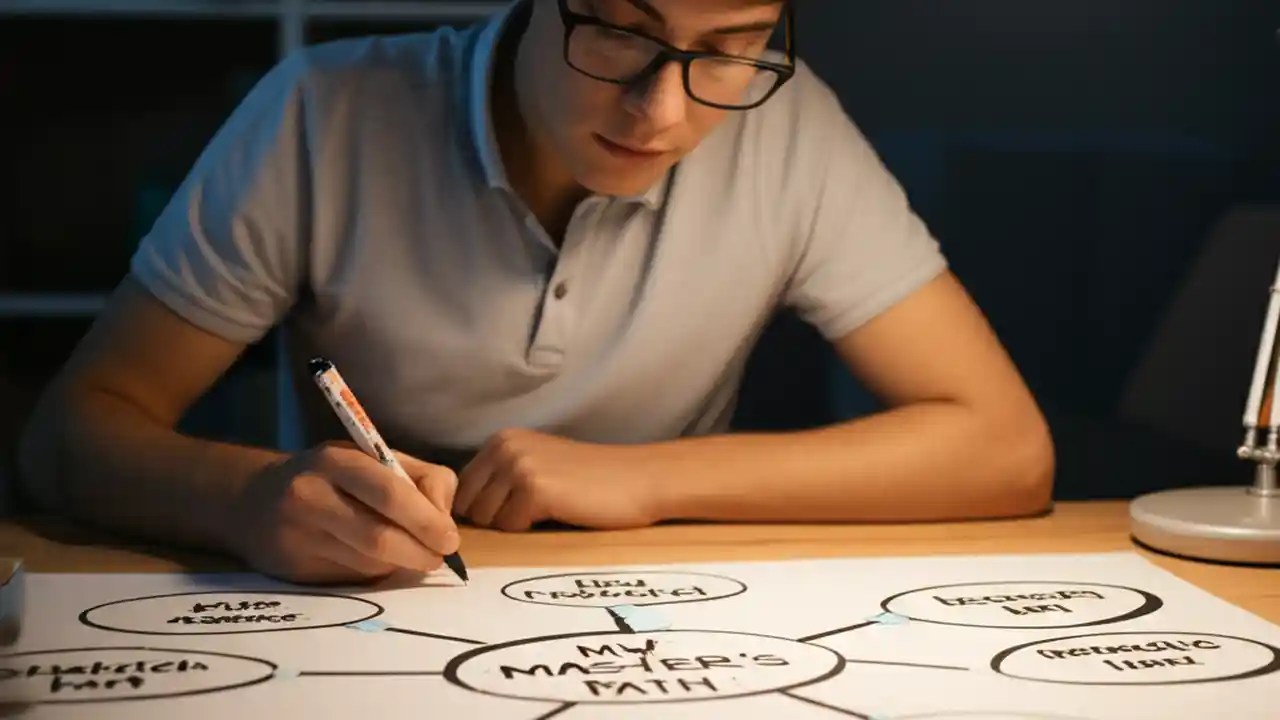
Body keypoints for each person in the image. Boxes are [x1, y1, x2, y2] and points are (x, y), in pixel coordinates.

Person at [17, 0, 1054, 585]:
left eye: (730, 46)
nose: (660, 109)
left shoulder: (787, 127)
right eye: (616, 29)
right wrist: (247, 501)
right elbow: (70, 438)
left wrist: (648, 479)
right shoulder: (323, 114)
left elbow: (1001, 448)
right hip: (373, 617)